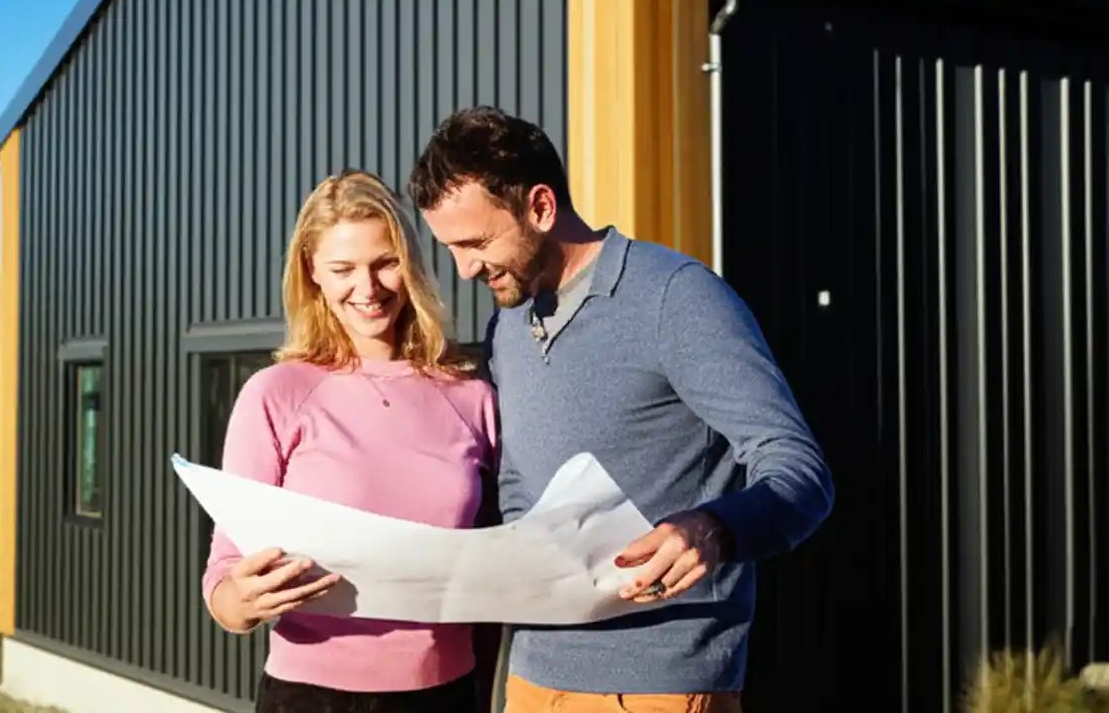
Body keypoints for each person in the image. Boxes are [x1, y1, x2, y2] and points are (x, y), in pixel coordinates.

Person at [407, 107, 835, 712]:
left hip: (656, 683)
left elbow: (801, 473)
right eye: (450, 247)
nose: (465, 268)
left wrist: (714, 528)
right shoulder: (507, 321)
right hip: (532, 676)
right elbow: (520, 484)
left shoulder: (675, 297)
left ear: (541, 208)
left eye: (476, 242)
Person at [201, 170, 501, 713]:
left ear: (411, 265)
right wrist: (239, 603)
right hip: (312, 697)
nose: (368, 289)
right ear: (312, 273)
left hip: (447, 694)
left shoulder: (471, 396)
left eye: (386, 264)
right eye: (343, 269)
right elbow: (224, 576)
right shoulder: (276, 395)